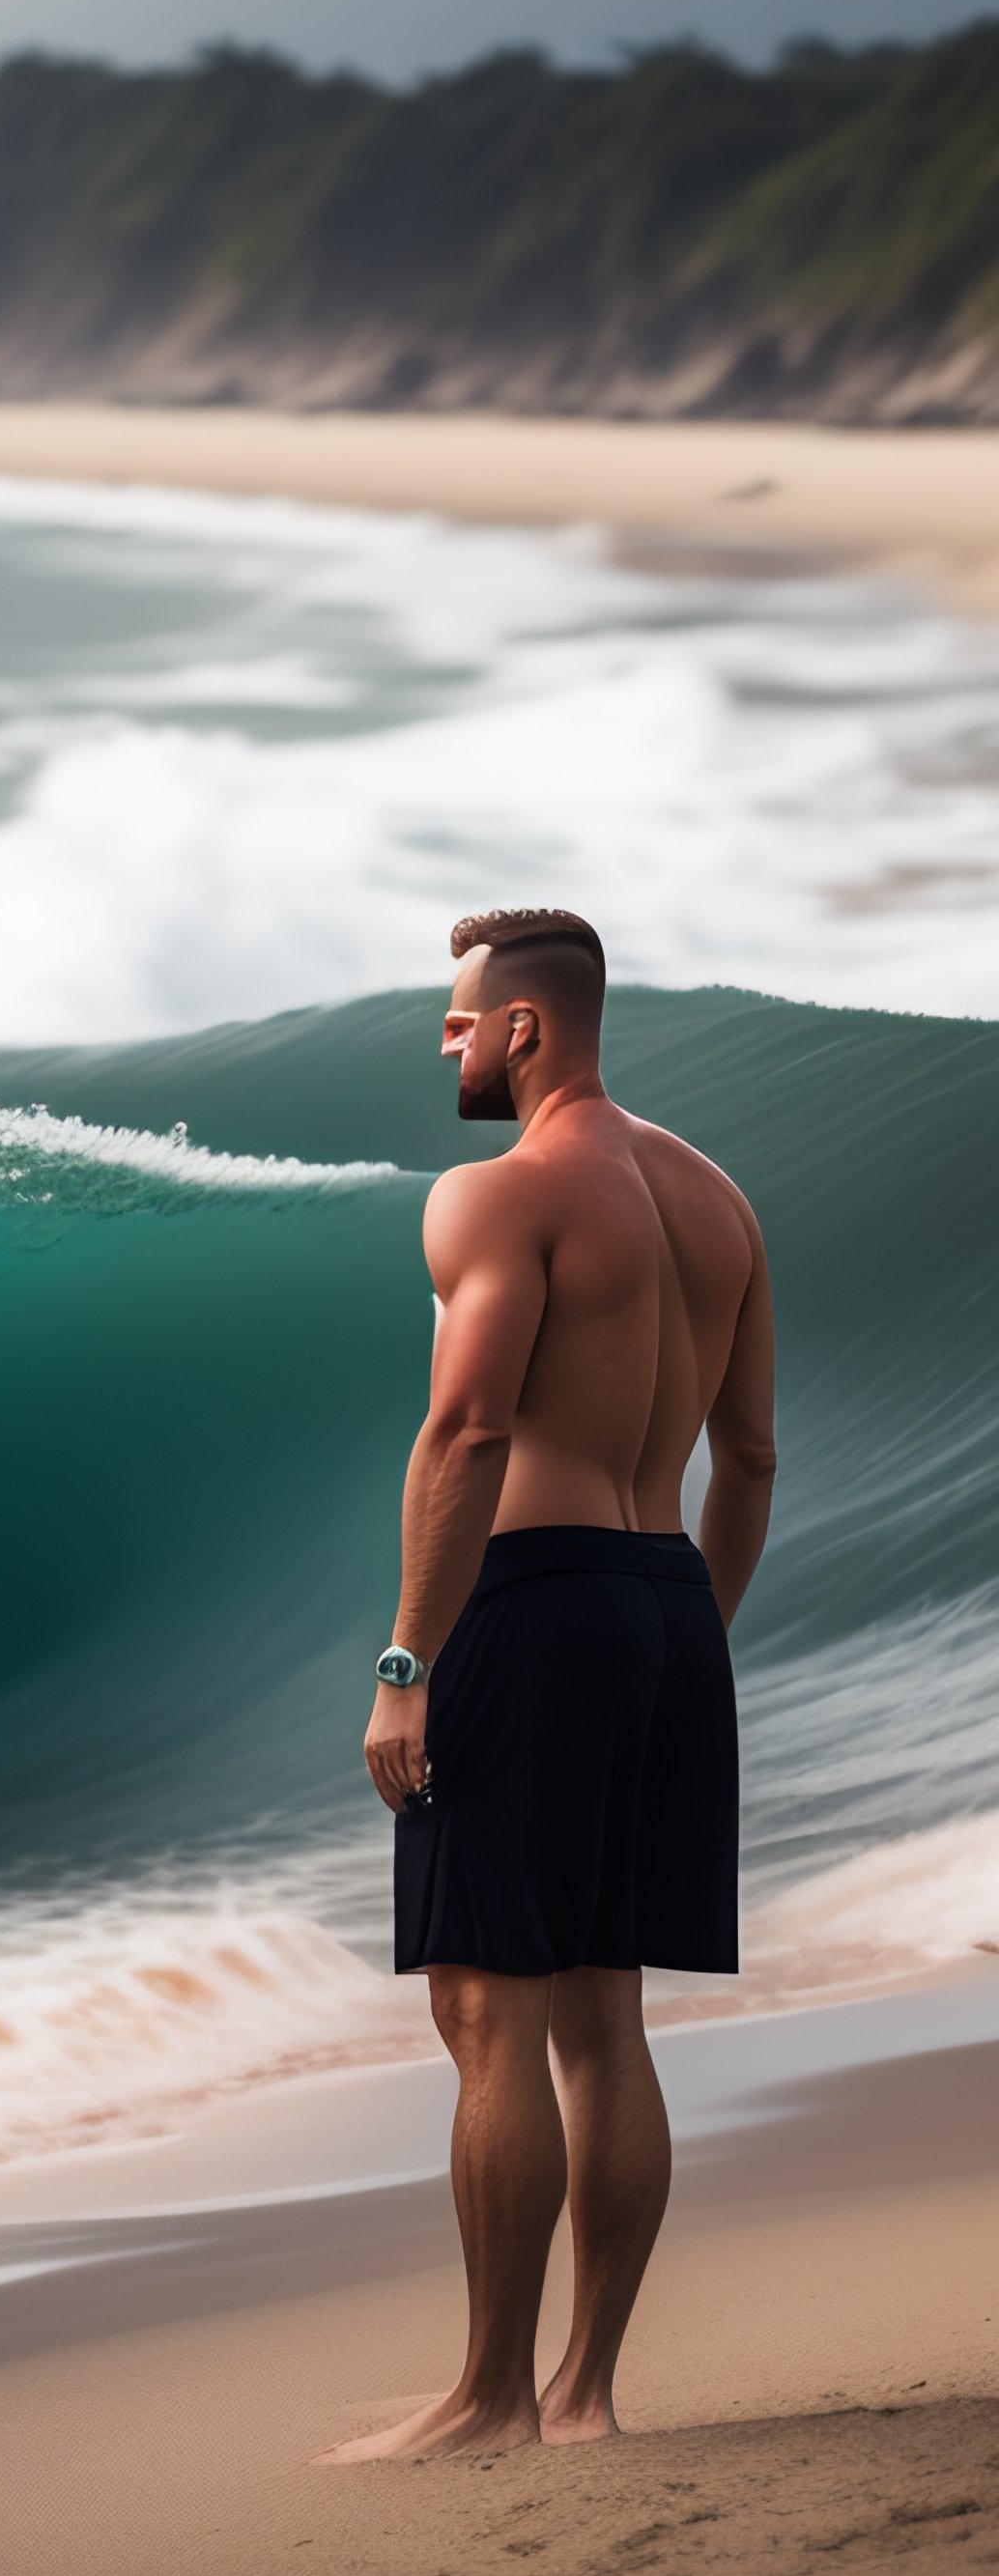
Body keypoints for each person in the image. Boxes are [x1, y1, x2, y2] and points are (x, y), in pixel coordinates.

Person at [318, 907, 776, 2466]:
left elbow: (467, 1434)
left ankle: (490, 2399)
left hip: (535, 1594)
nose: (443, 1044)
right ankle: (585, 2390)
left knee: (488, 2009)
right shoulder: (715, 1200)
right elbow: (755, 1454)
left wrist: (405, 1666)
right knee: (604, 2015)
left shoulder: (496, 1195)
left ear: (524, 1028)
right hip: (663, 1602)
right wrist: (672, 1632)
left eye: (458, 1023)